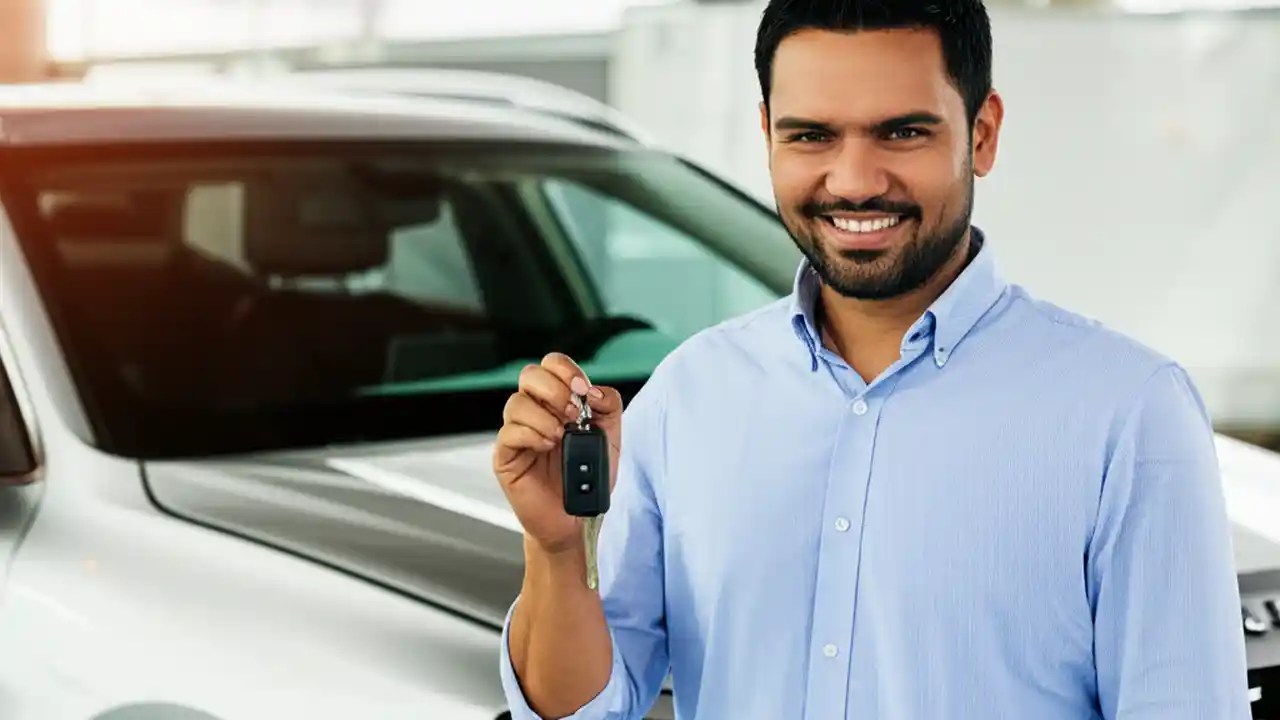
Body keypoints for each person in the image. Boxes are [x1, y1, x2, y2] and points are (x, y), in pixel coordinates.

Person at [491, 0, 1252, 717]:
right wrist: (556, 550)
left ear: (982, 134)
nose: (854, 182)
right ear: (767, 133)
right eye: (811, 136)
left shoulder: (1128, 411)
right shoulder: (690, 395)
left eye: (902, 133)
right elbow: (583, 709)